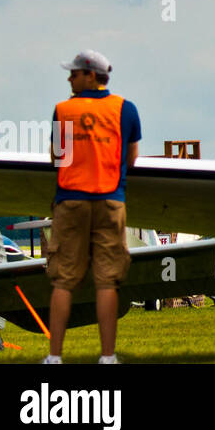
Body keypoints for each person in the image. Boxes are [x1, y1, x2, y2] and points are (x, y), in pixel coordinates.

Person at [44, 50, 141, 364]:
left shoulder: (63, 110)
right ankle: (108, 357)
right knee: (107, 280)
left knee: (62, 280)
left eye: (74, 73)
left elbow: (57, 158)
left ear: (89, 75)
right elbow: (131, 157)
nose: (70, 78)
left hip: (70, 200)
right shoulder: (126, 109)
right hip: (110, 200)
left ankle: (55, 357)